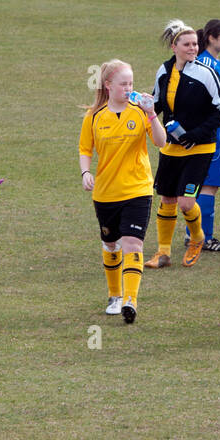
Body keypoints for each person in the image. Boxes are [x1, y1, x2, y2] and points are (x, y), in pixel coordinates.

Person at [78, 61, 167, 324]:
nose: (129, 89)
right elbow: (85, 149)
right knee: (111, 243)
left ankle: (130, 300)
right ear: (108, 86)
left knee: (133, 244)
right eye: (124, 84)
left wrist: (152, 114)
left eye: (131, 83)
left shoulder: (140, 112)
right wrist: (85, 173)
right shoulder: (94, 116)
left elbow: (161, 143)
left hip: (138, 189)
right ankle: (114, 295)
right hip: (105, 193)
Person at [145, 19, 220, 270]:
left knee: (186, 202)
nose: (193, 48)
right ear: (175, 46)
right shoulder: (164, 71)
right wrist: (140, 112)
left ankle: (197, 237)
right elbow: (158, 105)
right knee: (167, 199)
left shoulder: (206, 73)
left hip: (200, 149)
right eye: (187, 44)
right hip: (171, 148)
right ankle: (163, 252)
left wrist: (195, 135)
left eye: (195, 44)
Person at [194, 18, 220, 252]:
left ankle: (195, 234)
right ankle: (204, 238)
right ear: (211, 38)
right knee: (208, 185)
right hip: (210, 131)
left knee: (202, 184)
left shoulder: (209, 61)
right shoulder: (206, 64)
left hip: (209, 129)